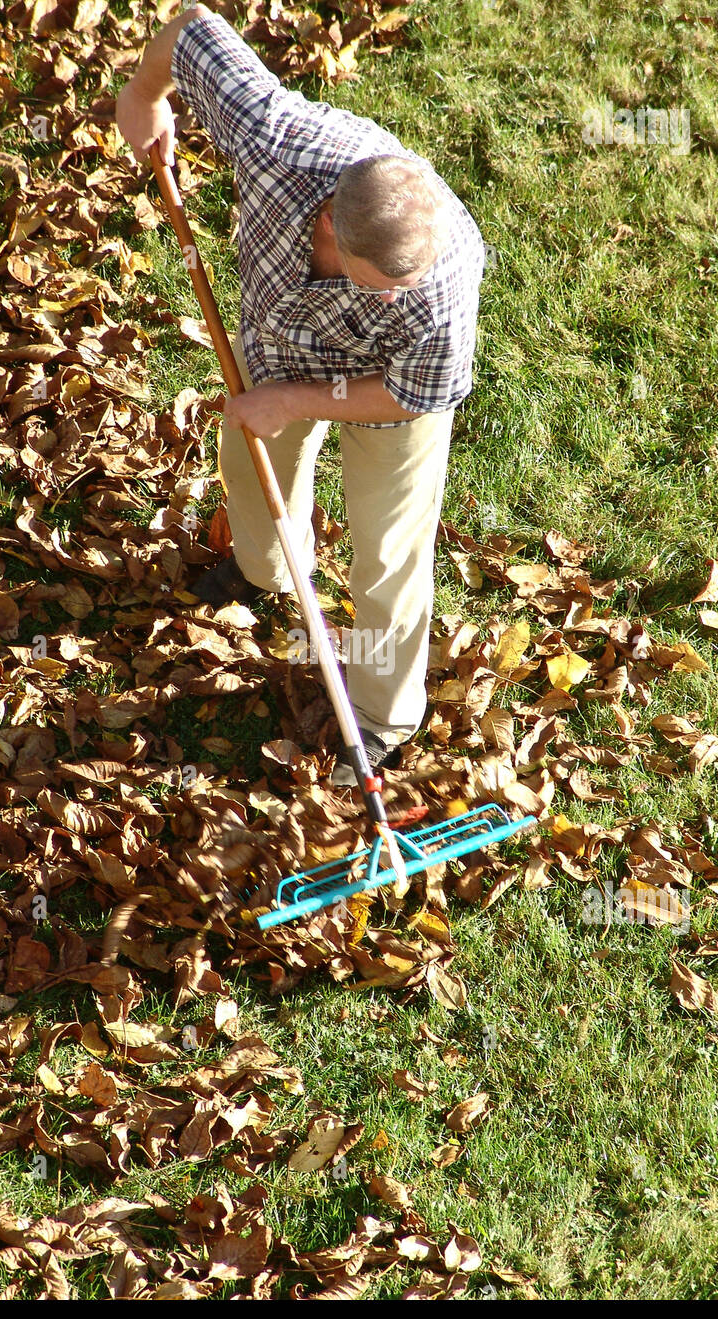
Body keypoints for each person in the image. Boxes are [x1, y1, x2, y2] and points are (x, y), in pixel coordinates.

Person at [116, 5, 484, 786]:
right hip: (277, 350)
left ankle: (382, 717)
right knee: (251, 470)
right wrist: (145, 96)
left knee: (386, 551)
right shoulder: (280, 142)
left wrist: (295, 401)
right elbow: (192, 31)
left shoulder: (443, 283)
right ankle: (264, 571)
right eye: (383, 288)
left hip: (391, 396)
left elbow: (416, 391)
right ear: (333, 232)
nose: (397, 300)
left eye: (405, 288)